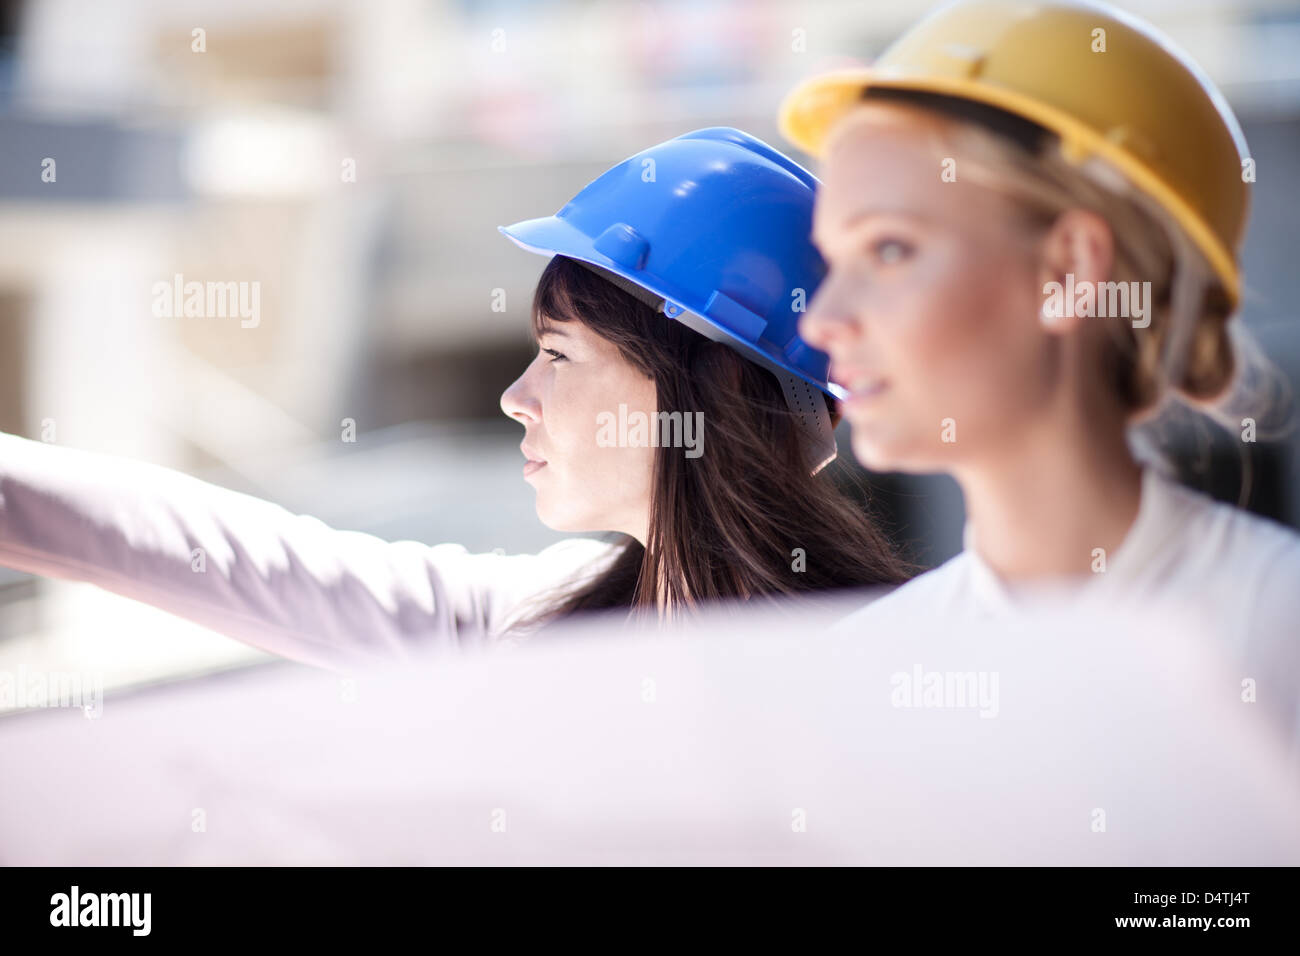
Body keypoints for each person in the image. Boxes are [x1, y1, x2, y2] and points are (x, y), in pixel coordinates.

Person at [0, 128, 910, 672]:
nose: (517, 398)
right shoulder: (531, 626)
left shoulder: (898, 663)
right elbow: (233, 555)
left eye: (558, 354)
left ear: (713, 394)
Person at [777, 0, 1300, 743]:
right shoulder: (861, 675)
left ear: (1071, 269)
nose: (822, 319)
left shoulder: (1278, 636)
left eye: (888, 250)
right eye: (834, 262)